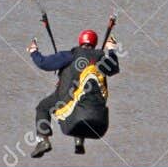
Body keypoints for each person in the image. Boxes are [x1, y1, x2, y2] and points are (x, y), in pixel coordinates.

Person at [26, 28, 119, 158]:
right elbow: (114, 68)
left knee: (43, 107)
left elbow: (43, 63)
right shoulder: (101, 58)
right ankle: (79, 141)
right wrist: (111, 50)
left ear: (80, 41)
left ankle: (43, 141)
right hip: (100, 121)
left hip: (68, 101)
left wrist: (33, 51)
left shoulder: (70, 55)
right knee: (83, 100)